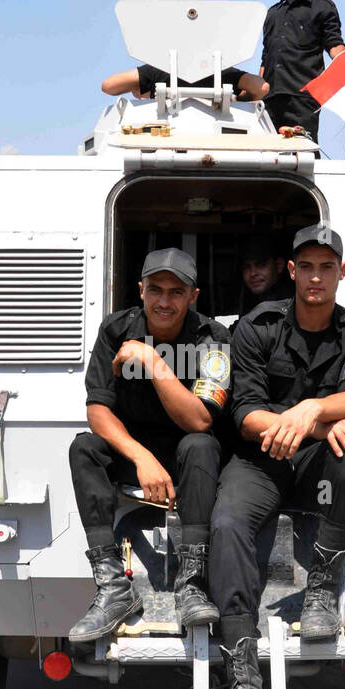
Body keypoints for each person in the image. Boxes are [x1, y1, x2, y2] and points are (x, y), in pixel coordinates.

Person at [204, 224, 345, 689]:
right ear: (292, 270)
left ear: (341, 272)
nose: (316, 276)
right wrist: (301, 422)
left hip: (315, 468)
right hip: (260, 459)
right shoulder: (257, 326)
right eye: (306, 266)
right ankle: (243, 682)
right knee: (229, 523)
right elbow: (243, 412)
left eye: (327, 266)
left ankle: (321, 588)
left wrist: (311, 411)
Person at [67, 248, 232, 642]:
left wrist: (154, 362)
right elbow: (98, 410)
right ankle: (113, 588)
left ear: (193, 296)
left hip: (189, 461)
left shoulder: (213, 338)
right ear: (141, 290)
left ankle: (192, 585)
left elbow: (200, 419)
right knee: (84, 447)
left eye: (176, 292)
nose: (163, 300)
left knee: (200, 443)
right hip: (136, 454)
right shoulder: (116, 328)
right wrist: (140, 456)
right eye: (155, 289)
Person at [260, 0, 345, 141]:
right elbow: (265, 60)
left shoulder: (321, 8)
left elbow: (334, 44)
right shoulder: (273, 13)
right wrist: (256, 96)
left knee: (302, 157)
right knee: (269, 159)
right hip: (269, 102)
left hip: (302, 101)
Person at [101, 64, 270, 102]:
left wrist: (136, 87)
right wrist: (236, 101)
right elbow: (262, 88)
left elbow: (109, 86)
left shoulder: (158, 69)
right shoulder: (221, 70)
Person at [237, 238, 294, 315]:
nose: (253, 273)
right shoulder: (247, 299)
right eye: (247, 267)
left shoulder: (295, 303)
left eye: (261, 265)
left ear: (279, 265)